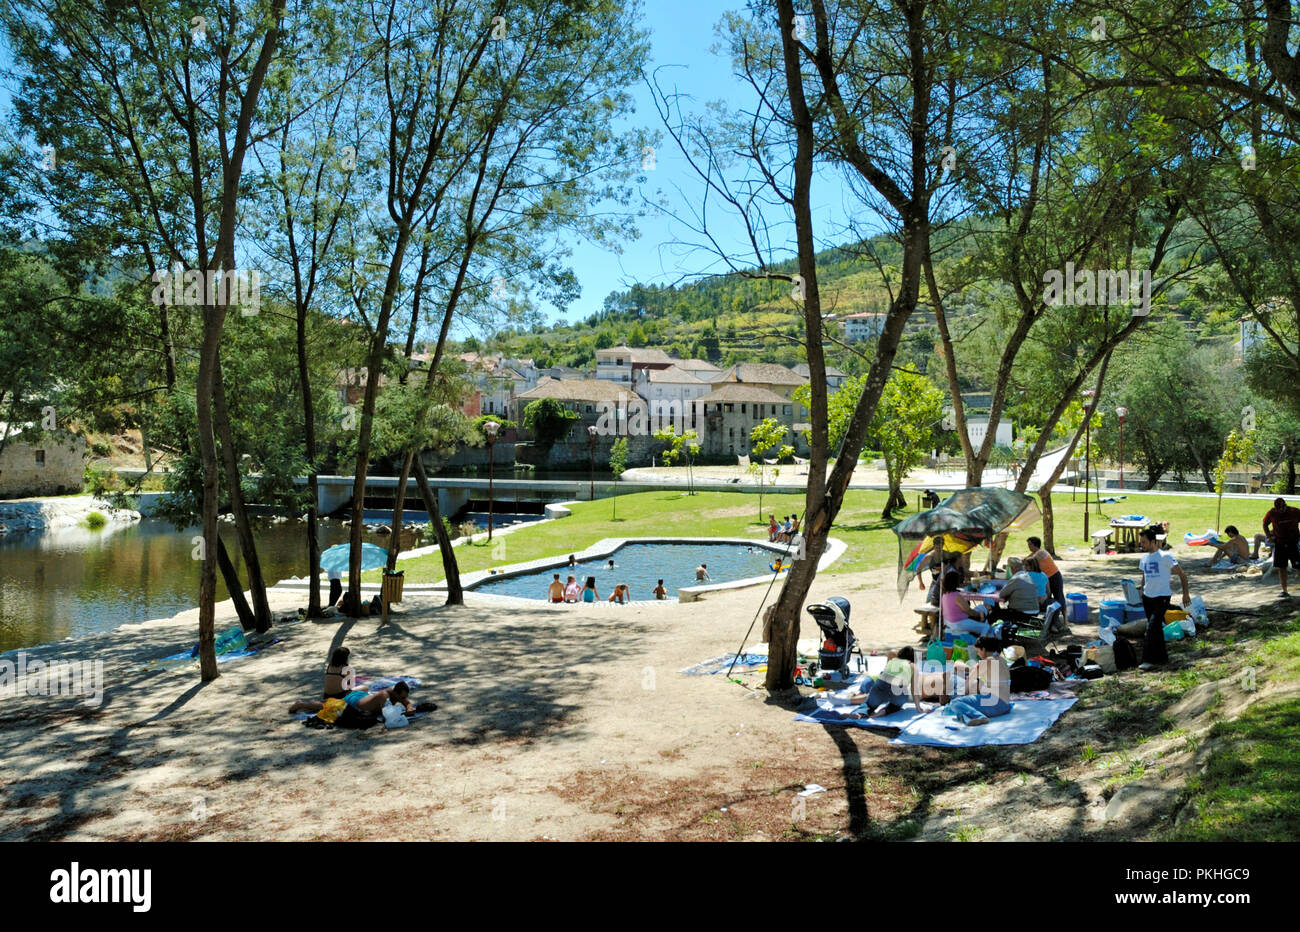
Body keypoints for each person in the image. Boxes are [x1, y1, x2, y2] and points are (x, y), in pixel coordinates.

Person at [1137, 525, 1190, 669]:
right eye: (1141, 542)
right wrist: (1141, 592)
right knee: (1156, 629)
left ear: (1153, 542)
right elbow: (1144, 577)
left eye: (1144, 542)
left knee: (1152, 627)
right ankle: (1162, 658)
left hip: (1162, 598)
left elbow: (1182, 575)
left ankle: (1147, 659)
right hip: (1148, 597)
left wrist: (1186, 593)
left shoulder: (1165, 556)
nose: (1142, 545)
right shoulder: (1144, 558)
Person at [948, 636, 1011, 726]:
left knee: (955, 703)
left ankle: (978, 717)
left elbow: (971, 678)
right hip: (1006, 705)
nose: (978, 654)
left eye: (978, 651)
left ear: (983, 649)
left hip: (995, 704)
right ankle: (967, 716)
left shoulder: (987, 661)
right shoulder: (1003, 661)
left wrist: (961, 694)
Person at [848, 647, 923, 716]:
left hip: (880, 684)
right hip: (897, 689)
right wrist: (918, 708)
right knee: (896, 704)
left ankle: (859, 714)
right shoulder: (913, 666)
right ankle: (884, 711)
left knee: (869, 705)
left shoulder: (893, 661)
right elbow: (914, 689)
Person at [288, 647, 355, 714]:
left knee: (327, 703)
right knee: (334, 706)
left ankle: (304, 704)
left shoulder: (330, 666)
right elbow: (349, 688)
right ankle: (302, 704)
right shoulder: (347, 669)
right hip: (338, 696)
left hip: (326, 695)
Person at [1263, 497, 1300, 597]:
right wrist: (1269, 536)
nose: (1281, 510)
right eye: (1278, 509)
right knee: (1281, 567)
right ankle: (1284, 590)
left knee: (1298, 566)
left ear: (1285, 506)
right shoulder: (1271, 513)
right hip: (1280, 543)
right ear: (1275, 508)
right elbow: (1265, 524)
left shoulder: (1294, 511)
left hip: (1293, 543)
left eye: (1282, 508)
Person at [940, 569, 991, 638]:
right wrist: (980, 615)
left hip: (949, 622)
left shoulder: (945, 595)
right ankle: (980, 645)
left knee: (980, 607)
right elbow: (968, 611)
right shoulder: (956, 596)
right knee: (986, 627)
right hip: (958, 623)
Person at [1025, 537, 1064, 609]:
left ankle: (1065, 619)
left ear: (1035, 545)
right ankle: (1052, 616)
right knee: (1047, 596)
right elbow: (1025, 560)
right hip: (1047, 577)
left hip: (1054, 576)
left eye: (1030, 544)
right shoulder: (1034, 553)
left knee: (1059, 597)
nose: (1028, 546)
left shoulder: (1040, 553)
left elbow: (1028, 562)